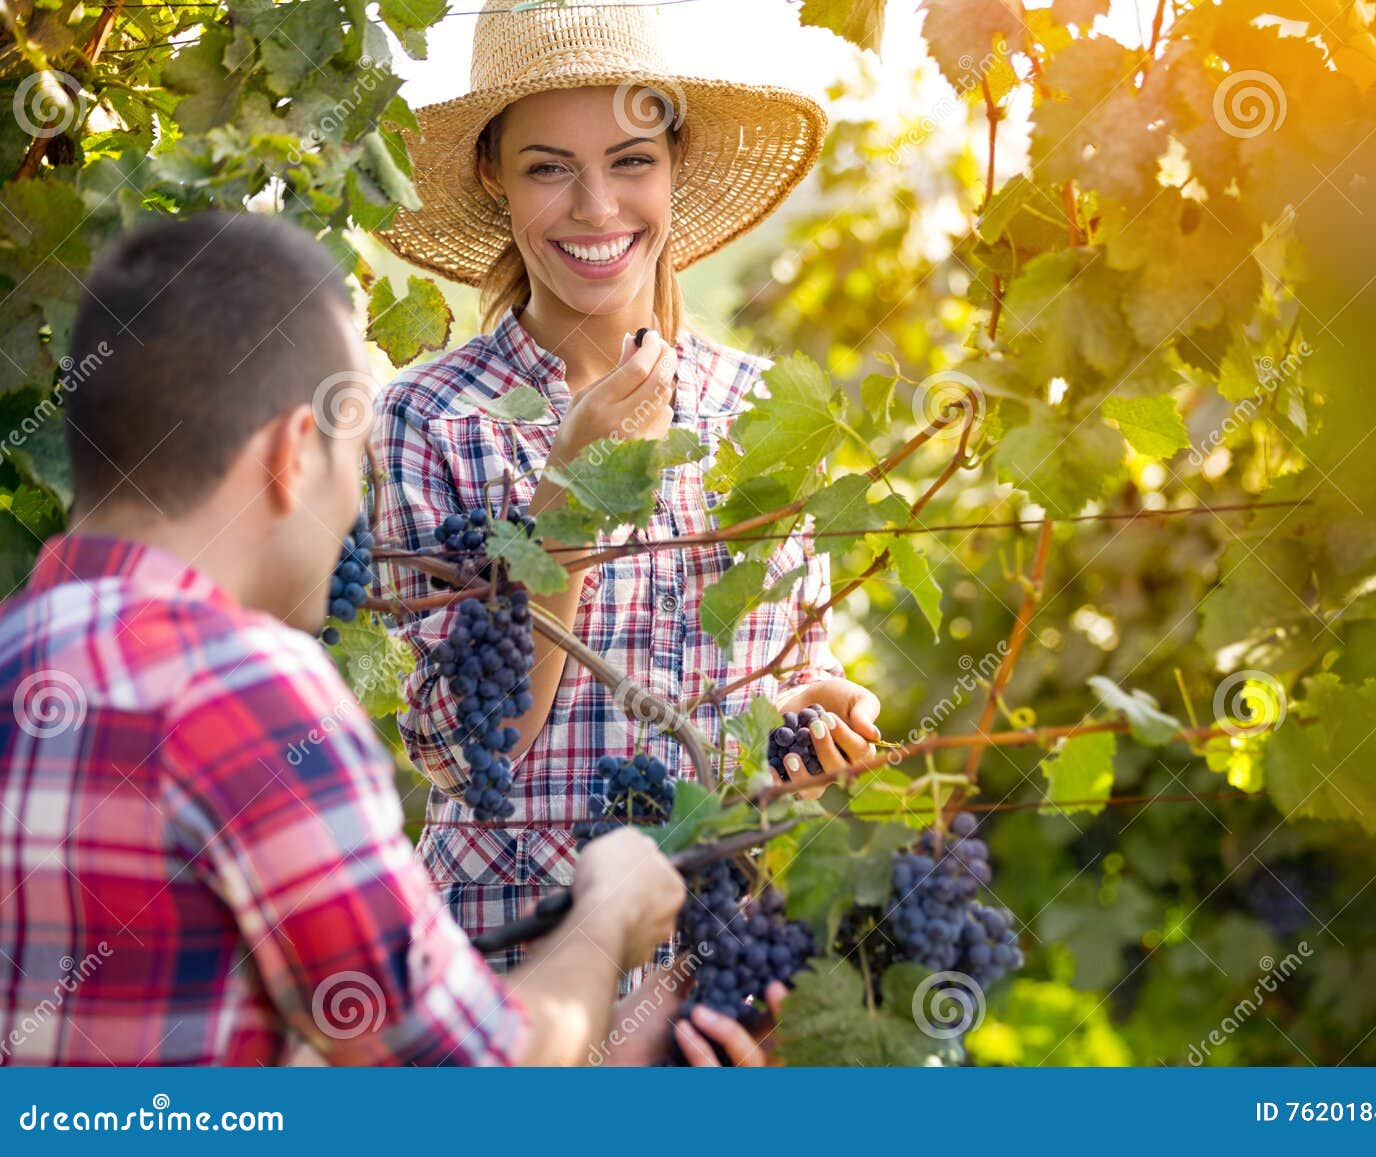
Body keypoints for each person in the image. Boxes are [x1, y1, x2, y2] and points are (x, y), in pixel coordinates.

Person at [0, 212, 684, 1066]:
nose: (355, 512)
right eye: (349, 457)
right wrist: (606, 917)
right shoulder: (243, 692)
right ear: (291, 454)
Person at [369, 0, 884, 1042]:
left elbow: (775, 702)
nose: (595, 207)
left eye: (632, 158)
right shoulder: (433, 417)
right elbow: (468, 751)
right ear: (492, 179)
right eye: (548, 166)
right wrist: (569, 491)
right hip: (505, 987)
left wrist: (815, 721)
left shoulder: (759, 409)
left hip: (714, 988)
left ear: (676, 161)